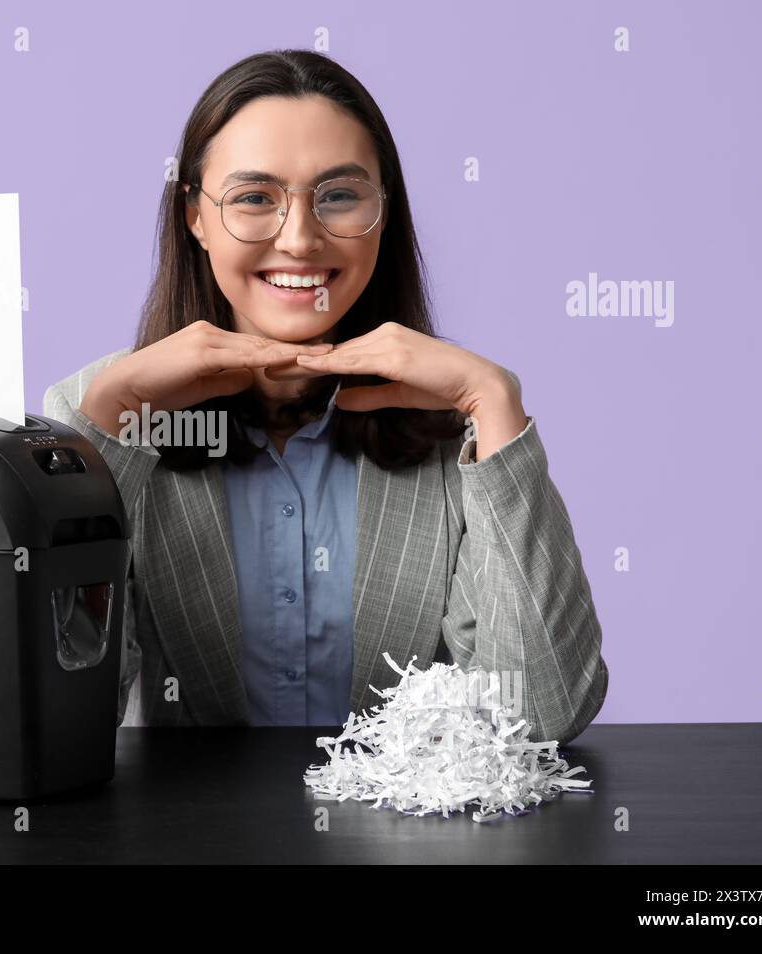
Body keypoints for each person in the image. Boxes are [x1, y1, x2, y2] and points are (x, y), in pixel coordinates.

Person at [43, 49, 607, 742]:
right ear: (195, 216)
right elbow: (54, 718)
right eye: (254, 198)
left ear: (383, 213)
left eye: (338, 195)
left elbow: (541, 716)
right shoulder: (98, 409)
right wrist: (106, 430)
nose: (301, 238)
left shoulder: (456, 424)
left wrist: (492, 398)